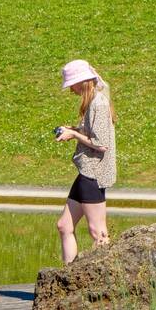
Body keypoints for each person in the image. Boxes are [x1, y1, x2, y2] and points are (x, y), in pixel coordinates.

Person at [53, 59, 117, 264]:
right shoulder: (91, 102)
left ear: (81, 82)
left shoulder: (99, 102)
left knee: (98, 232)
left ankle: (110, 280)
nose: (71, 90)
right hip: (85, 172)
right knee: (64, 226)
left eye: (71, 85)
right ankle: (68, 279)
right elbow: (91, 133)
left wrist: (73, 135)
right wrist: (73, 129)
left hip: (94, 174)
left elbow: (101, 144)